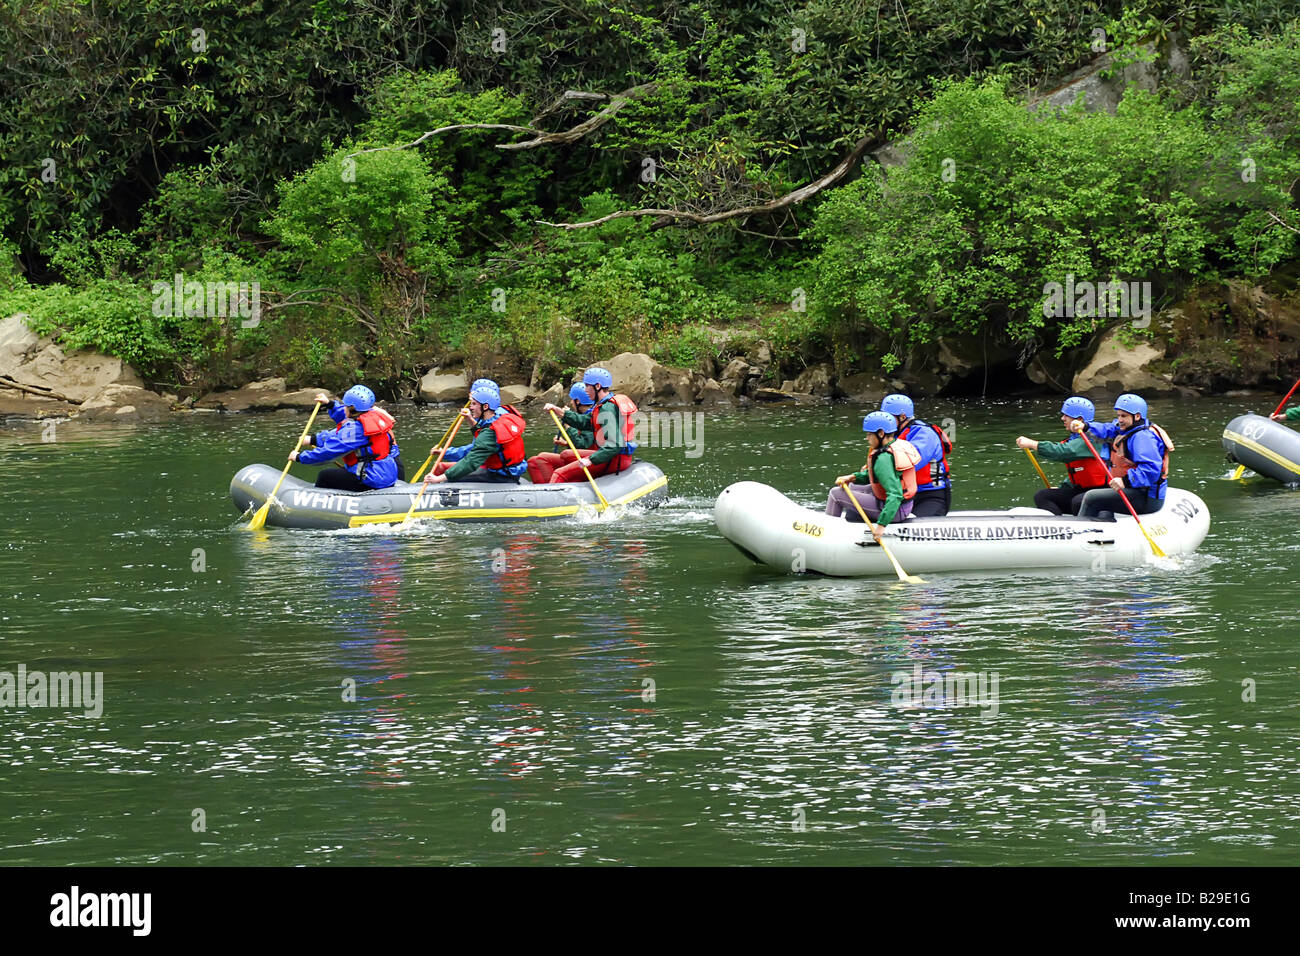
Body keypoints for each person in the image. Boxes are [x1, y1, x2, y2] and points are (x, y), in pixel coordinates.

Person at [826, 410, 921, 543]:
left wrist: (881, 525)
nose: (867, 438)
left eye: (870, 434)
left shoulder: (883, 458)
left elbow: (895, 494)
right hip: (904, 506)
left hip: (896, 511)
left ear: (881, 433)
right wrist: (852, 477)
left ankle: (827, 536)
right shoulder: (894, 445)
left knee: (835, 494)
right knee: (852, 486)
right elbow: (874, 476)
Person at [1074, 393, 1172, 519]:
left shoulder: (1143, 437)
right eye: (1118, 415)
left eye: (1124, 416)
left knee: (1091, 497)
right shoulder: (1128, 429)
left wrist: (1125, 481)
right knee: (1089, 498)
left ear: (1137, 416)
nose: (1120, 419)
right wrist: (1086, 426)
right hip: (1134, 489)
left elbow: (1151, 470)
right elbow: (1108, 429)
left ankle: (1083, 533)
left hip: (1146, 497)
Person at [289, 385, 403, 490]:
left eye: (345, 406)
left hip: (372, 479)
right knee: (341, 472)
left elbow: (329, 452)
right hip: (385, 473)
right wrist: (330, 404)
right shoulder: (373, 415)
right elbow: (342, 427)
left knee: (325, 476)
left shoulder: (355, 430)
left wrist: (300, 457)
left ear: (351, 408)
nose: (343, 407)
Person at [540, 366, 639, 483]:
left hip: (614, 459)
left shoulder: (607, 408)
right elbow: (585, 422)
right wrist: (559, 411)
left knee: (559, 473)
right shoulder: (603, 405)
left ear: (598, 386)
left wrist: (591, 460)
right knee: (563, 455)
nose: (585, 390)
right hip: (611, 457)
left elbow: (615, 444)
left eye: (587, 386)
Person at [1015, 396, 1112, 515]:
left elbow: (1063, 452)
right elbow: (1077, 470)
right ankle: (1057, 526)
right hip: (1081, 490)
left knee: (1078, 501)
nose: (1062, 418)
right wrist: (1063, 487)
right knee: (1043, 496)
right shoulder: (1075, 439)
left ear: (1080, 419)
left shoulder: (1092, 440)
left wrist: (1033, 444)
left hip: (1100, 492)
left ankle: (1081, 527)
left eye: (1066, 415)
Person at [426, 380, 528, 484]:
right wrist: (445, 452)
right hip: (509, 471)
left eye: (474, 404)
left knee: (450, 479)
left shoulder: (491, 432)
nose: (471, 407)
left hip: (501, 475)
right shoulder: (498, 419)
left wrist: (439, 478)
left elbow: (471, 460)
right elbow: (482, 438)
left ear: (485, 407)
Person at [880, 393, 953, 516]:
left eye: (888, 417)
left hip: (931, 495)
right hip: (903, 494)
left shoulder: (924, 433)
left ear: (902, 417)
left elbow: (911, 462)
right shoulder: (894, 435)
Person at [527, 383, 596, 484]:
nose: (571, 403)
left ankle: (553, 490)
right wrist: (566, 443)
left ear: (578, 401)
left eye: (572, 400)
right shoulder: (583, 415)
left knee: (542, 458)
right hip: (581, 456)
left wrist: (567, 425)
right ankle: (540, 492)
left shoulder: (590, 417)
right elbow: (584, 441)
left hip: (587, 460)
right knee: (533, 461)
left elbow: (583, 445)